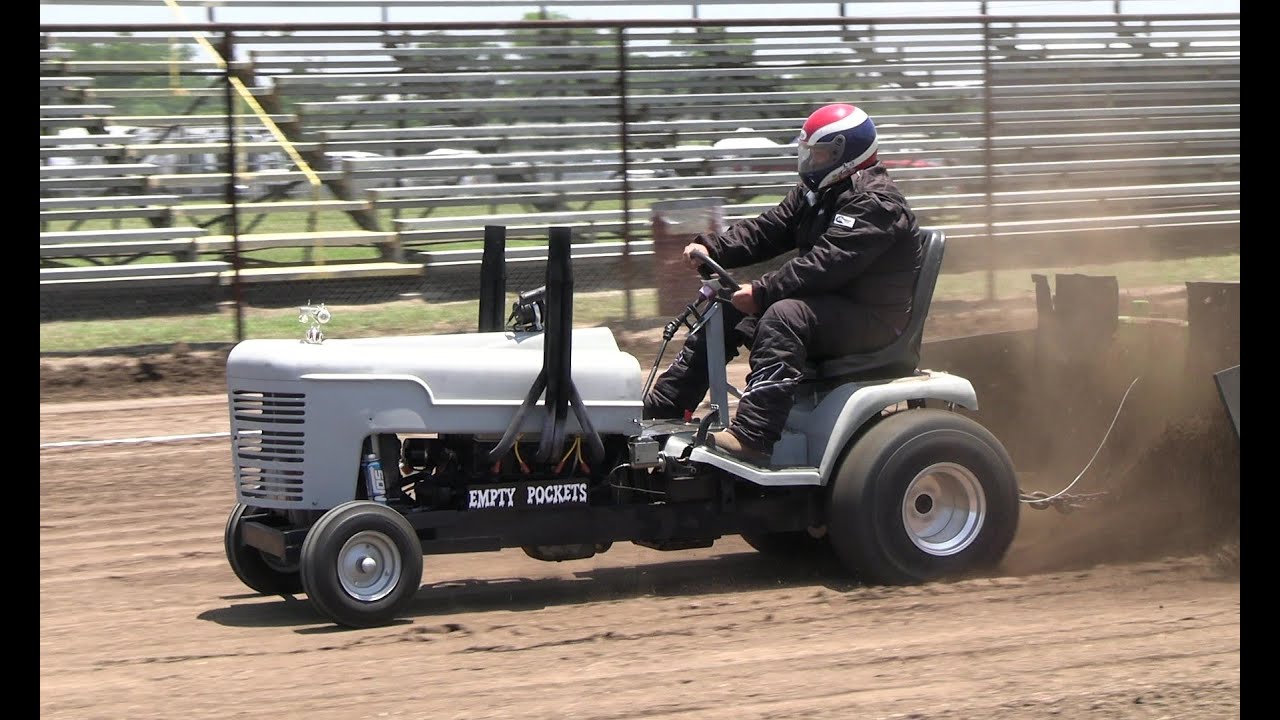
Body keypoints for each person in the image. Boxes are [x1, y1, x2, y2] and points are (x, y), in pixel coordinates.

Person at [642, 103, 924, 464]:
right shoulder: (818, 192)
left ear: (848, 154)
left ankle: (753, 437)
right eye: (811, 153)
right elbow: (769, 229)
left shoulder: (874, 203)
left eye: (822, 153)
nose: (813, 161)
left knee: (783, 316)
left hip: (873, 321)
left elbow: (824, 266)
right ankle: (665, 408)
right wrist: (713, 246)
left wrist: (762, 293)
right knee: (726, 305)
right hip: (832, 306)